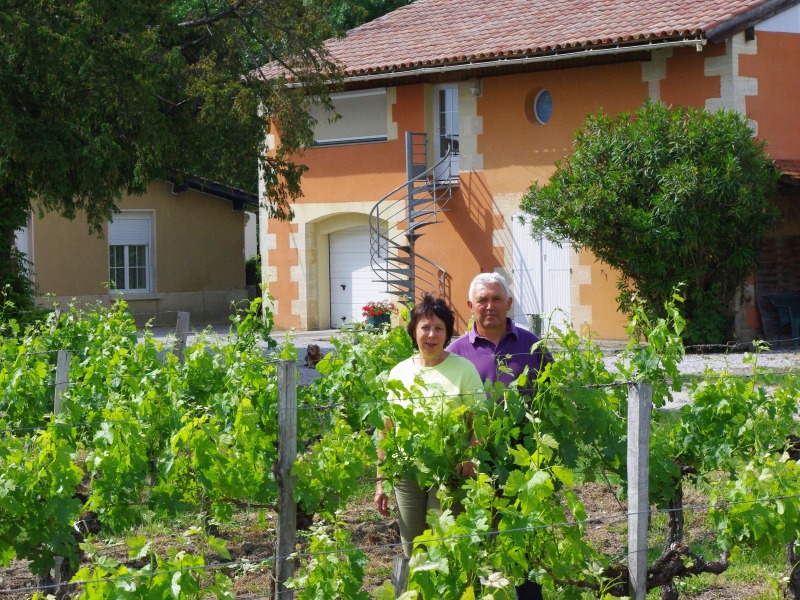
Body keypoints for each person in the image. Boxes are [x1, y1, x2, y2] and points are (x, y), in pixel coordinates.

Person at [448, 272, 552, 600]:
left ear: (509, 304)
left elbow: (551, 398)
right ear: (470, 306)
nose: (489, 306)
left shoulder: (532, 345)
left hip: (524, 461)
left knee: (524, 538)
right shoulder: (454, 353)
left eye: (496, 299)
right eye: (482, 300)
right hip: (474, 463)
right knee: (478, 540)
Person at [374, 294, 483, 558]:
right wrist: (381, 480)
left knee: (443, 544)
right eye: (425, 327)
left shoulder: (463, 370)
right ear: (414, 331)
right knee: (413, 547)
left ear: (447, 334)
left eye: (439, 328)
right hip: (406, 473)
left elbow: (480, 422)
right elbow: (386, 429)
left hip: (449, 471)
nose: (431, 335)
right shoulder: (399, 372)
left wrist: (470, 457)